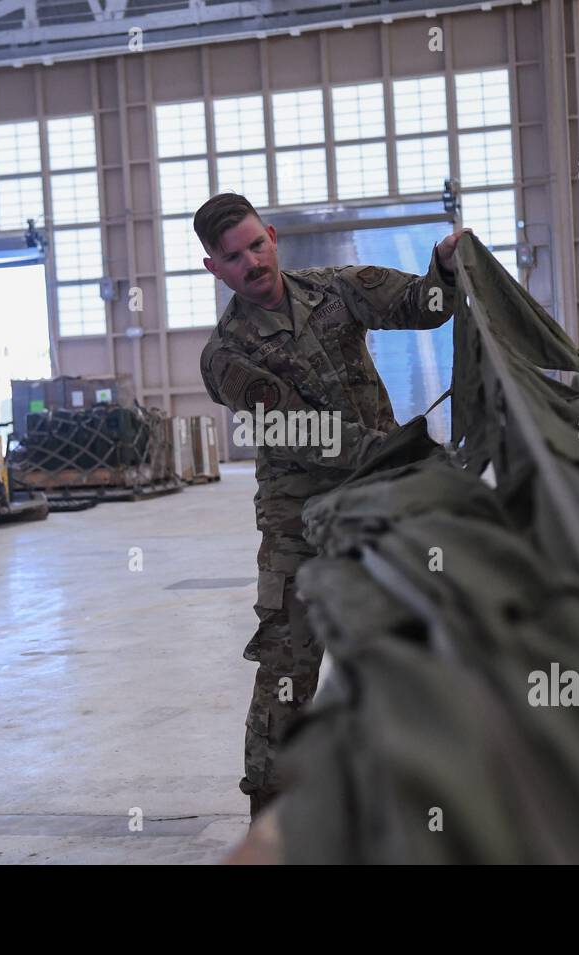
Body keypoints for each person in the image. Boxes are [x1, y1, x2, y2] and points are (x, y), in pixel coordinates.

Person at [195, 192, 467, 818]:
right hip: (302, 526)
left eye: (256, 245)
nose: (252, 263)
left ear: (272, 236)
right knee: (288, 672)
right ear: (216, 269)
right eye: (233, 258)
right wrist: (397, 451)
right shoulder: (226, 357)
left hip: (381, 504)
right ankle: (273, 815)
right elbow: (304, 434)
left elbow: (421, 307)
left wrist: (446, 268)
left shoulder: (336, 290)